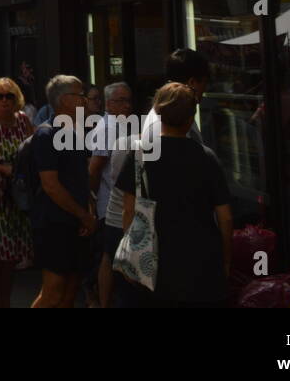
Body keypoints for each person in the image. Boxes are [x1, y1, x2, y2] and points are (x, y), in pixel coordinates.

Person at [118, 82, 233, 308]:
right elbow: (226, 218)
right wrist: (226, 260)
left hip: (154, 262)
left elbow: (129, 211)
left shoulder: (140, 153)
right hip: (202, 263)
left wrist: (131, 257)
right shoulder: (206, 157)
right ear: (191, 118)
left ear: (159, 113)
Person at [29, 75, 95, 308]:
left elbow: (81, 179)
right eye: (80, 95)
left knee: (70, 289)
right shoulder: (47, 135)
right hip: (54, 223)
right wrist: (83, 214)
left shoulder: (75, 133)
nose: (85, 101)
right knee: (53, 291)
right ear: (65, 100)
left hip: (76, 224)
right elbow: (51, 185)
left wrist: (87, 212)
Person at [0, 78, 33, 308]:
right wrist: (2, 168)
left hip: (17, 198)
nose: (4, 101)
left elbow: (33, 151)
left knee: (10, 256)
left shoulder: (22, 121)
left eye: (9, 96)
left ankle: (5, 302)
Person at [90, 81, 133, 308]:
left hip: (118, 205)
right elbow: (95, 167)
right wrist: (94, 199)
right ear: (108, 104)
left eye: (128, 100)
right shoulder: (108, 128)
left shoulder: (121, 125)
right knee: (109, 256)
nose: (126, 105)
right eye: (120, 101)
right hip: (110, 206)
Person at [145, 48, 209, 142]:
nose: (205, 89)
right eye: (204, 83)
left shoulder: (170, 111)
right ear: (192, 82)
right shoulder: (174, 121)